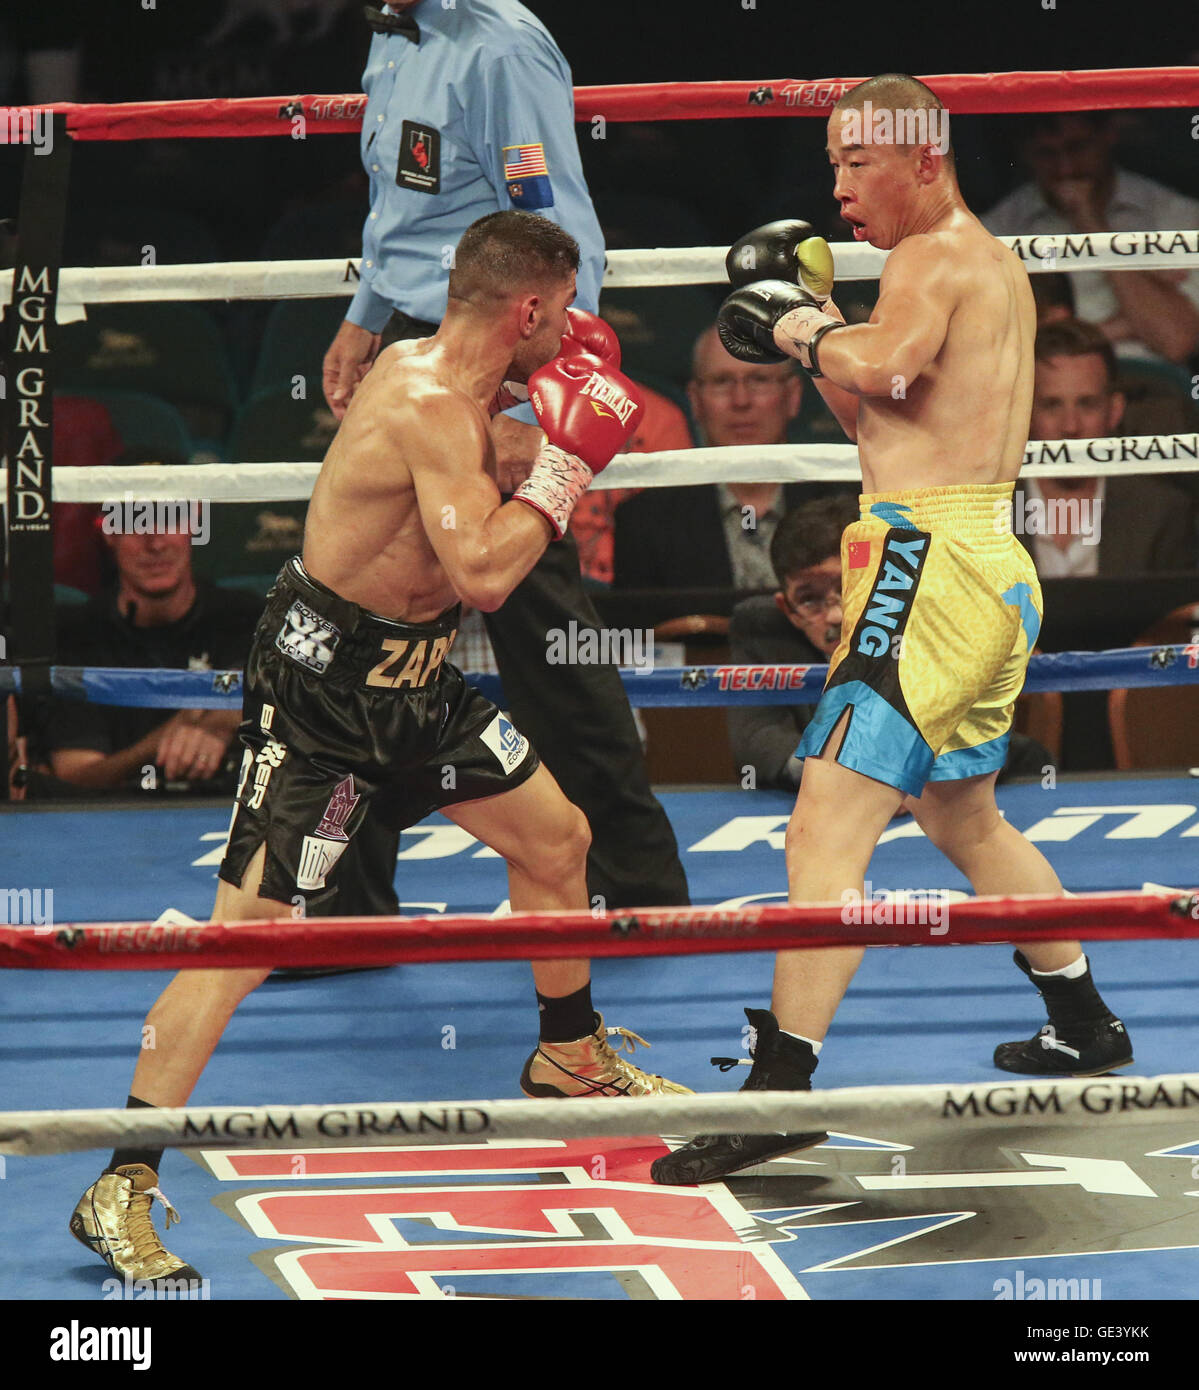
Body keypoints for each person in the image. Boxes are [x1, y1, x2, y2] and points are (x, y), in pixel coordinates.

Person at [70, 212, 690, 1286]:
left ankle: (569, 1053)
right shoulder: (419, 401)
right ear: (526, 309)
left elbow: (463, 522)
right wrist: (566, 466)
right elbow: (489, 576)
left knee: (557, 839)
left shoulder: (466, 383)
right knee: (242, 943)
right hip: (323, 693)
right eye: (567, 305)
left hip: (415, 684)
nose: (580, 327)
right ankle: (116, 1183)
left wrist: (537, 424)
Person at [653, 75, 1132, 1188]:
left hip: (926, 566)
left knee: (823, 820)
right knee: (960, 810)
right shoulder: (979, 266)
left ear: (921, 158)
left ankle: (776, 1090)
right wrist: (814, 338)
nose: (837, 188)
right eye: (828, 166)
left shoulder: (930, 260)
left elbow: (880, 366)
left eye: (854, 164)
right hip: (972, 561)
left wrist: (796, 318)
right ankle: (1085, 1023)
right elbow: (880, 419)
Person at [321, 0, 688, 913]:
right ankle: (347, 907)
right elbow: (399, 201)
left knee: (538, 622)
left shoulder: (503, 48)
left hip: (504, 352)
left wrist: (543, 394)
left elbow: (558, 228)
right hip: (416, 336)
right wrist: (365, 316)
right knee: (369, 611)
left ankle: (637, 883)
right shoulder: (390, 27)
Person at [612, 326, 850, 592]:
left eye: (759, 380)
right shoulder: (644, 521)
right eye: (722, 382)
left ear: (793, 396)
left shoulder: (848, 507)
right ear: (695, 401)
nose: (741, 400)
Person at [40, 520, 258, 796]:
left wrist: (214, 725)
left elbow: (280, 699)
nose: (155, 543)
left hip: (231, 811)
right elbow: (77, 775)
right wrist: (165, 738)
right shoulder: (79, 636)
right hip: (117, 822)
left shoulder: (242, 616)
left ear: (194, 522)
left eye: (168, 521)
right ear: (109, 532)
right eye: (135, 524)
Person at [982, 112, 1199, 365]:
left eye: (1077, 148)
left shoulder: (1176, 215)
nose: (1065, 169)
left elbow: (1176, 340)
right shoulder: (997, 226)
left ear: (1107, 136)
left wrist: (1090, 221)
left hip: (1146, 380)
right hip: (1043, 379)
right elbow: (992, 340)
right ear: (1026, 154)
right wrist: (1130, 320)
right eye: (1046, 153)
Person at [1019, 317, 1195, 578]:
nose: (1070, 426)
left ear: (1115, 410)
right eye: (1052, 405)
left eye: (1087, 404)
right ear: (1026, 412)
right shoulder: (982, 514)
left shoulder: (1162, 513)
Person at [727, 494, 857, 791]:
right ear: (787, 608)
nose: (836, 615)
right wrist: (840, 776)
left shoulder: (928, 618)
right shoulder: (761, 627)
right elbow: (756, 739)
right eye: (809, 599)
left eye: (849, 588)